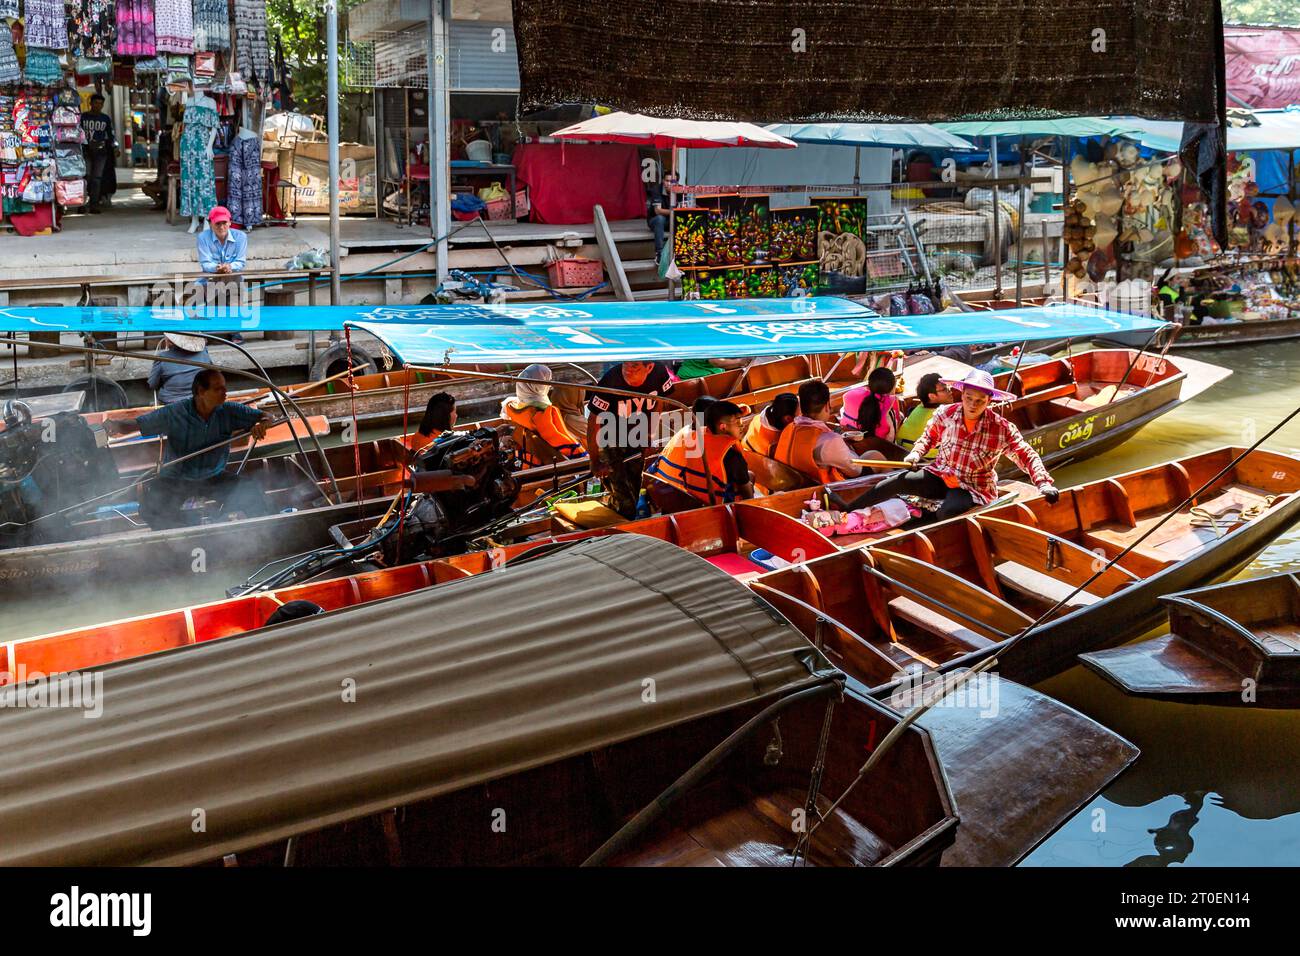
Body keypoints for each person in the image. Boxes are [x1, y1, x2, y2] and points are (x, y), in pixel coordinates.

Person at [839, 368, 1059, 525]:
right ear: (961, 394)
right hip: (940, 474)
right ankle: (845, 511)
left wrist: (1043, 483)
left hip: (971, 487)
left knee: (947, 513)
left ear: (989, 401)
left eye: (979, 400)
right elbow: (928, 438)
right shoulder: (946, 413)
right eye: (968, 397)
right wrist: (915, 454)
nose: (972, 404)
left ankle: (924, 530)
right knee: (894, 482)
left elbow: (1026, 454)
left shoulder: (1001, 428)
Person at [103, 369, 270, 529]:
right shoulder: (175, 412)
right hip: (177, 478)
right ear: (200, 392)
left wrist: (261, 424)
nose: (225, 392)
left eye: (224, 388)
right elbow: (139, 424)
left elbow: (267, 416)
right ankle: (184, 532)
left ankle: (261, 535)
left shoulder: (229, 411)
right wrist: (115, 424)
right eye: (218, 389)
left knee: (251, 492)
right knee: (150, 507)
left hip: (213, 476)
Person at [585, 360, 674, 518]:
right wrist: (594, 459)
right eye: (626, 364)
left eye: (635, 366)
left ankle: (619, 515)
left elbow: (659, 402)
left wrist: (649, 435)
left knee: (636, 485)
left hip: (638, 433)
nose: (628, 370)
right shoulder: (610, 381)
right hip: (610, 437)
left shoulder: (659, 372)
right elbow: (593, 421)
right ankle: (626, 527)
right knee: (624, 497)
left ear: (649, 367)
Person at [645, 400, 752, 513]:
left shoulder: (687, 434)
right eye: (738, 422)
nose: (742, 426)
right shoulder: (730, 455)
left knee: (746, 476)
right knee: (747, 479)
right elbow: (746, 490)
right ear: (721, 426)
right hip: (701, 510)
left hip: (667, 497)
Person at [773, 381, 864, 484]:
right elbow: (856, 471)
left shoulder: (789, 429)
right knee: (874, 455)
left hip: (794, 485)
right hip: (825, 493)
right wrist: (848, 447)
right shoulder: (830, 441)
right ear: (826, 406)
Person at [500, 364, 583, 466]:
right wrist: (582, 453)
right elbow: (557, 439)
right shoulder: (545, 411)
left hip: (523, 461)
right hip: (542, 464)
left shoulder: (510, 406)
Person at [840, 366, 904, 442]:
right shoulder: (890, 405)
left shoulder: (850, 395)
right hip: (878, 448)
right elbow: (893, 433)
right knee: (901, 416)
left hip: (853, 443)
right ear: (892, 388)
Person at [147, 332, 212, 405]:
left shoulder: (162, 357)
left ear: (170, 340)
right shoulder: (204, 352)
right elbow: (211, 372)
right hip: (199, 399)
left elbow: (152, 384)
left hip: (171, 403)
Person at [897, 372, 954, 453]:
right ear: (931, 396)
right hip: (924, 458)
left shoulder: (920, 406)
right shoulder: (943, 414)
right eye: (945, 389)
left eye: (948, 387)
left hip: (901, 449)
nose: (950, 391)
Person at [80, 93, 116, 214]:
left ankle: (94, 204)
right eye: (96, 103)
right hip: (85, 150)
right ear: (90, 103)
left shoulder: (105, 119)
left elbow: (111, 135)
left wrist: (115, 147)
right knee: (86, 176)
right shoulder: (83, 117)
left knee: (97, 178)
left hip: (101, 151)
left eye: (101, 104)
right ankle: (82, 202)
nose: (98, 106)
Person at [743, 391, 798, 458]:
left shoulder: (759, 418)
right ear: (788, 418)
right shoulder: (776, 442)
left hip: (744, 451)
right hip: (754, 464)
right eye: (799, 413)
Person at [403, 391, 457, 458]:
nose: (456, 415)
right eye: (455, 412)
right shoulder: (445, 443)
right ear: (446, 416)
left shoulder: (417, 435)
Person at [196, 205, 247, 275]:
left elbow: (240, 261)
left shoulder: (241, 237)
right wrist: (216, 268)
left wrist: (230, 267)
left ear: (230, 222)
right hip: (210, 278)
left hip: (234, 278)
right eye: (217, 223)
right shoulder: (202, 237)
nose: (221, 227)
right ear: (210, 224)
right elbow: (205, 263)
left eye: (224, 223)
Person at [646, 170, 679, 261]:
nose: (669, 184)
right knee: (660, 219)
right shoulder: (657, 190)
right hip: (656, 221)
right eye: (667, 180)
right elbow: (658, 211)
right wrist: (676, 212)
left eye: (672, 182)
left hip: (672, 221)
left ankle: (680, 252)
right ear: (663, 181)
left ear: (677, 182)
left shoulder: (680, 190)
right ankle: (659, 253)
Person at [675, 357, 747, 380]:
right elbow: (716, 362)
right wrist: (740, 362)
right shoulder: (708, 338)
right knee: (699, 411)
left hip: (709, 379)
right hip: (692, 380)